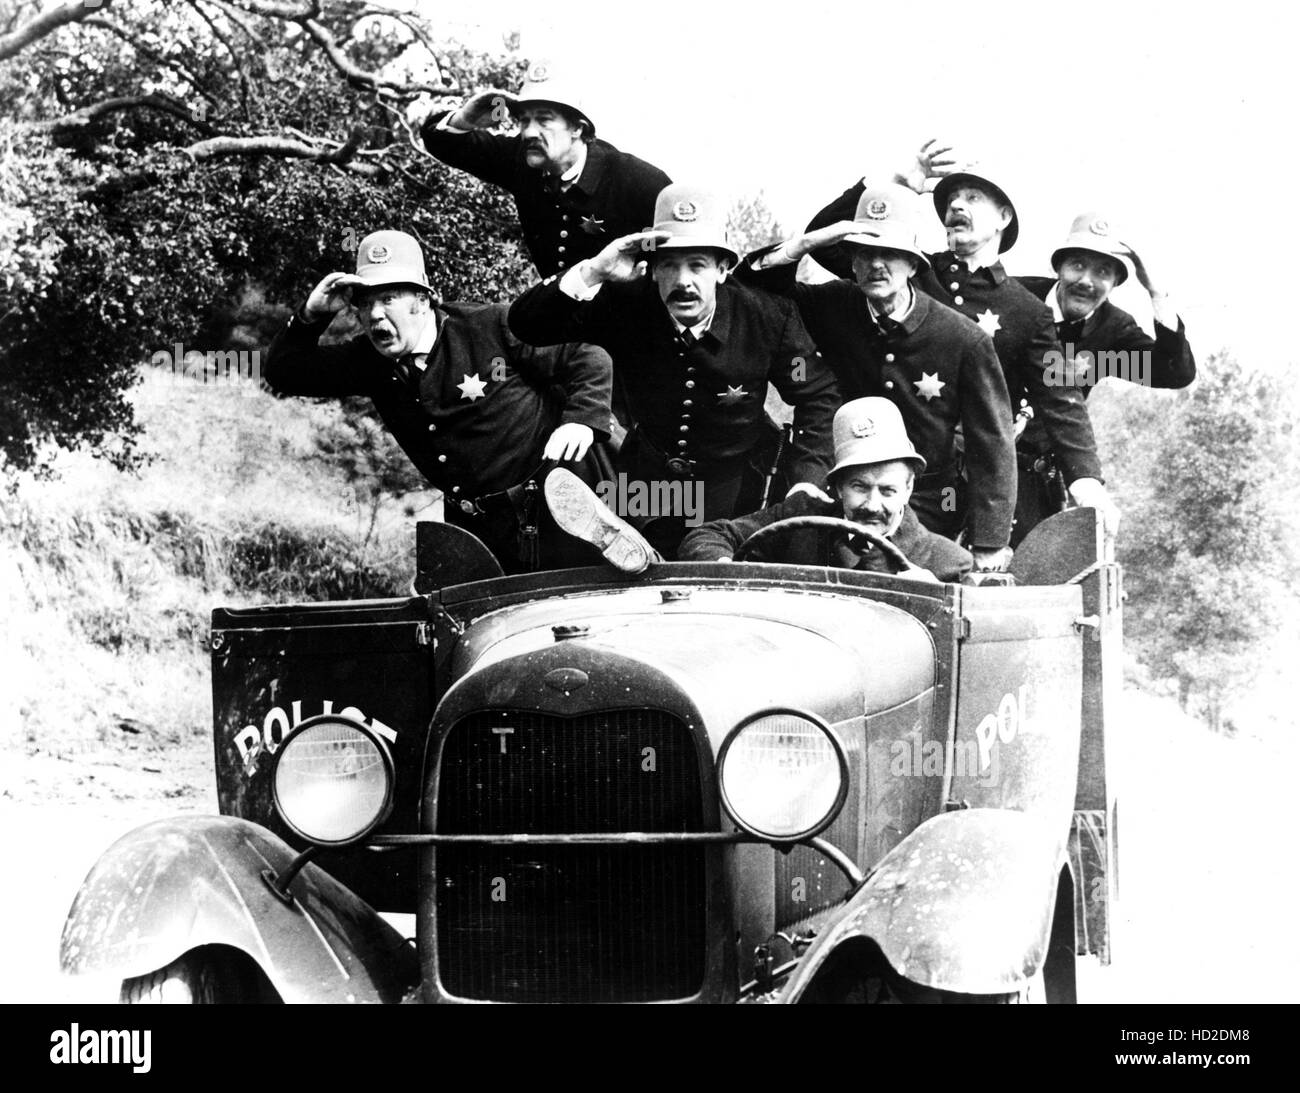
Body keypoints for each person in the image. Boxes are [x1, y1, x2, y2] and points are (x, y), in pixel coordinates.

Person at [805, 147, 1118, 549]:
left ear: (1004, 217)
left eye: (973, 197)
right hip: (862, 475)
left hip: (944, 491)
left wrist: (1087, 481)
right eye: (951, 198)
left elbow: (1062, 402)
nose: (956, 205)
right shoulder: (910, 270)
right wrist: (898, 184)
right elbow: (825, 241)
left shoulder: (1027, 312)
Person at [509, 183, 840, 556]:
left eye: (697, 265)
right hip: (647, 483)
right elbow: (527, 326)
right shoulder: (625, 307)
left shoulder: (768, 318)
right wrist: (593, 272)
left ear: (722, 269)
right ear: (652, 271)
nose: (683, 281)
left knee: (720, 571)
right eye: (669, 265)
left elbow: (817, 395)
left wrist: (807, 479)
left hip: (735, 487)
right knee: (636, 575)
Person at [264, 229, 614, 573]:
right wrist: (311, 315)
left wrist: (581, 419)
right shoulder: (368, 361)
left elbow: (586, 357)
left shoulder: (491, 325)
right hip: (478, 530)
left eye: (388, 300)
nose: (374, 315)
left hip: (563, 508)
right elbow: (284, 373)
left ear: (423, 299)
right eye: (365, 304)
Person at [736, 184, 1016, 571]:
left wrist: (990, 542)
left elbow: (993, 444)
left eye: (890, 255)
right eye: (865, 254)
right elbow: (755, 291)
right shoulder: (834, 304)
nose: (876, 265)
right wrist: (803, 244)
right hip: (840, 495)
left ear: (914, 265)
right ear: (850, 262)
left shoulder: (963, 339)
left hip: (922, 507)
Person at [408, 60, 670, 277]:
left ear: (578, 128)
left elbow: (680, 251)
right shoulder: (520, 160)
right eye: (524, 120)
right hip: (557, 317)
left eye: (544, 120)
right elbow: (443, 142)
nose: (530, 132)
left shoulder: (636, 179)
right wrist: (465, 118)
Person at [1018, 212, 1196, 395]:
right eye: (1077, 265)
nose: (1086, 281)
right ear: (1058, 268)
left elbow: (1176, 372)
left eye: (1103, 272)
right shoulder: (1014, 294)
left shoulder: (1113, 328)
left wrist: (1157, 293)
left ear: (1115, 283)